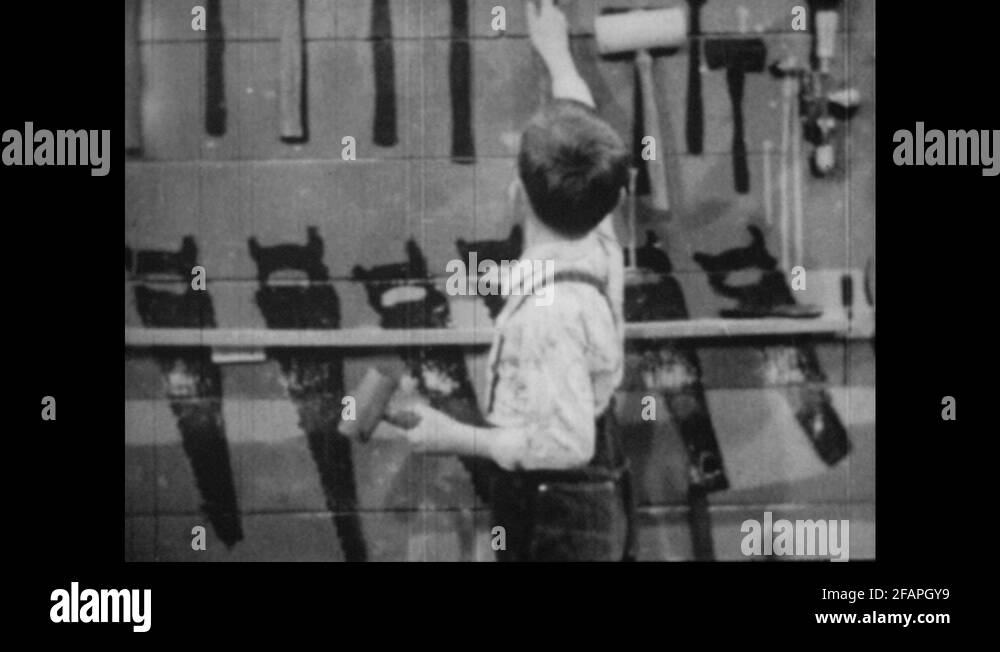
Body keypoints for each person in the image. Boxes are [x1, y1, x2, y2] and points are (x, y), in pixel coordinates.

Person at [386, 0, 633, 561]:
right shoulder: (598, 239)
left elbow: (564, 445)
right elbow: (584, 134)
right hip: (592, 489)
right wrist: (556, 56)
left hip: (561, 511)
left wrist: (455, 437)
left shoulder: (548, 313)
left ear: (516, 195)